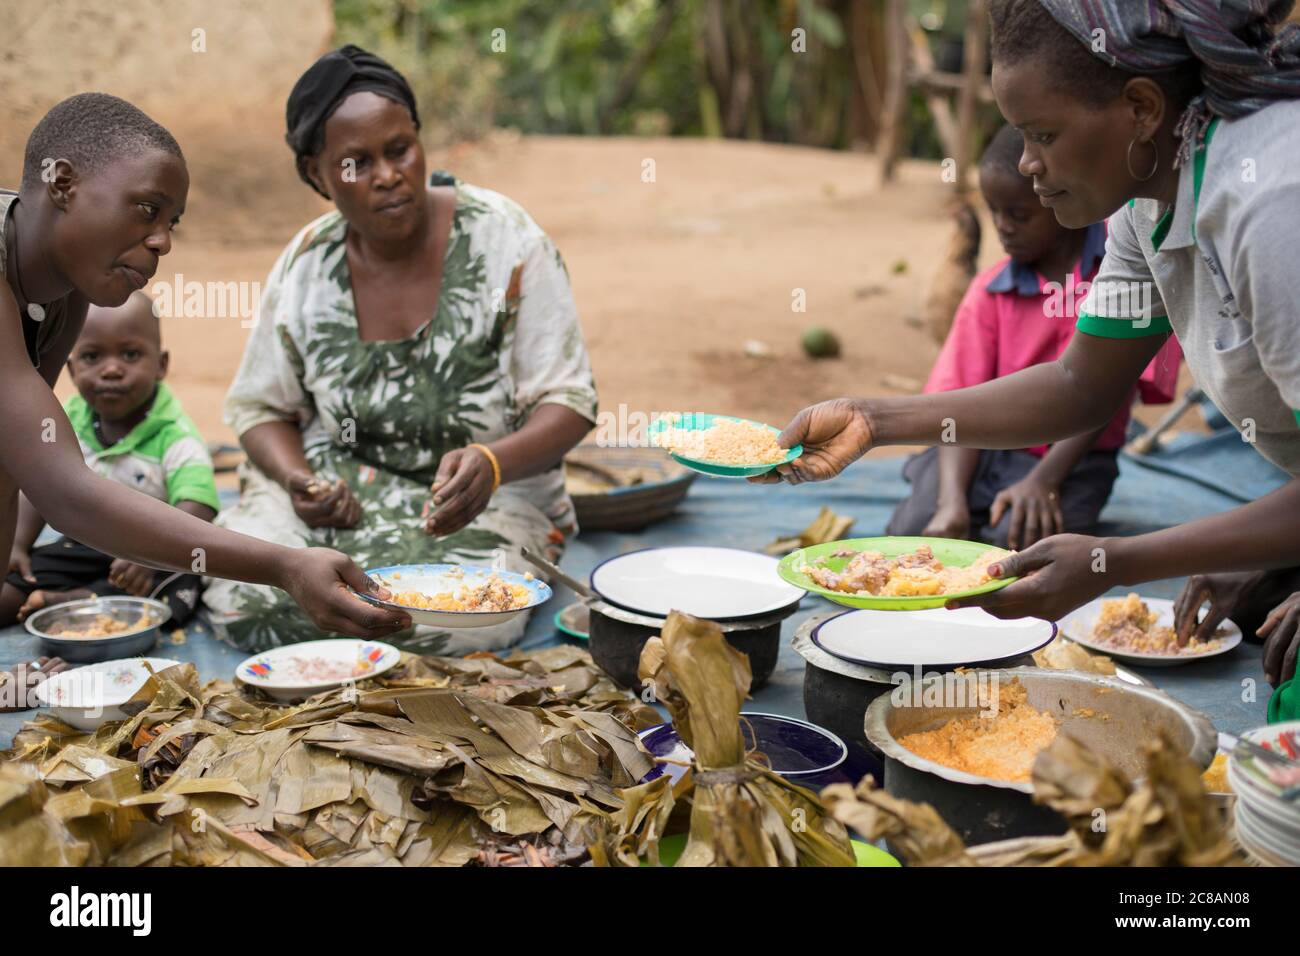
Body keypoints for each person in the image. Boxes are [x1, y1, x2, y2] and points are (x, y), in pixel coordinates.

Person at [759, 0, 1300, 719]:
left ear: (1140, 108)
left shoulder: (1270, 208)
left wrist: (1116, 561)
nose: (1026, 165)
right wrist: (873, 419)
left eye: (1043, 134)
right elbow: (1080, 383)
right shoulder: (1146, 202)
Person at [0, 92, 408, 713]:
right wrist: (284, 565)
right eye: (146, 209)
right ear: (62, 182)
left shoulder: (64, 294)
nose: (162, 242)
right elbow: (64, 492)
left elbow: (18, 460)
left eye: (173, 223)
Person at [202, 47, 598, 654]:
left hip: (484, 503)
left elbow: (570, 402)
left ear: (420, 143)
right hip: (341, 499)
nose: (387, 175)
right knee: (243, 598)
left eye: (399, 150)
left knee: (468, 617)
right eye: (355, 163)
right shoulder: (307, 264)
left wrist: (492, 463)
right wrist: (299, 480)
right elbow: (261, 410)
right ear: (317, 175)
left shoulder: (507, 242)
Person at [888, 125, 1181, 550]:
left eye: (1020, 214)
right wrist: (950, 501)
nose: (1003, 228)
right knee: (917, 532)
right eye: (994, 212)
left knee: (1017, 546)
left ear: (1059, 199)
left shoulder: (1123, 273)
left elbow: (1107, 391)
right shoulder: (989, 292)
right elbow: (959, 400)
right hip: (979, 446)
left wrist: (1043, 481)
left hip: (1072, 462)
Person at [2, 292, 218, 627]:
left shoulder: (174, 434)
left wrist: (151, 553)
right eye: (92, 356)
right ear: (72, 370)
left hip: (152, 552)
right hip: (82, 544)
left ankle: (75, 602)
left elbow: (199, 507)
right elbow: (39, 488)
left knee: (179, 585)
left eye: (130, 354)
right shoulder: (65, 419)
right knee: (16, 579)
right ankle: (64, 599)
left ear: (161, 365)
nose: (112, 370)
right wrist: (16, 545)